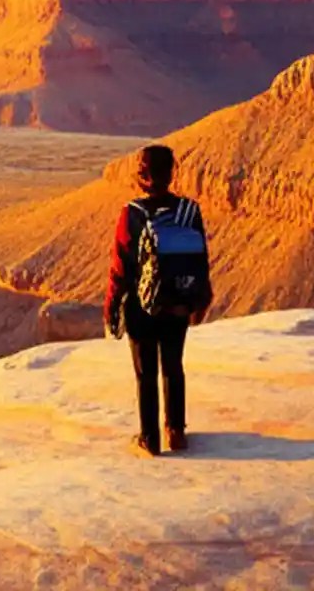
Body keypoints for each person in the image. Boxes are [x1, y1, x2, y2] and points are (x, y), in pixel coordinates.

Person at [104, 144, 213, 457]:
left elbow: (120, 267)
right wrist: (199, 301)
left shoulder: (132, 214)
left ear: (142, 175)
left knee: (145, 372)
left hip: (142, 305)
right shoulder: (190, 212)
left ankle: (150, 438)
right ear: (171, 173)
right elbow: (201, 259)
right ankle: (176, 431)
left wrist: (112, 305)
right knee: (173, 365)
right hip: (178, 301)